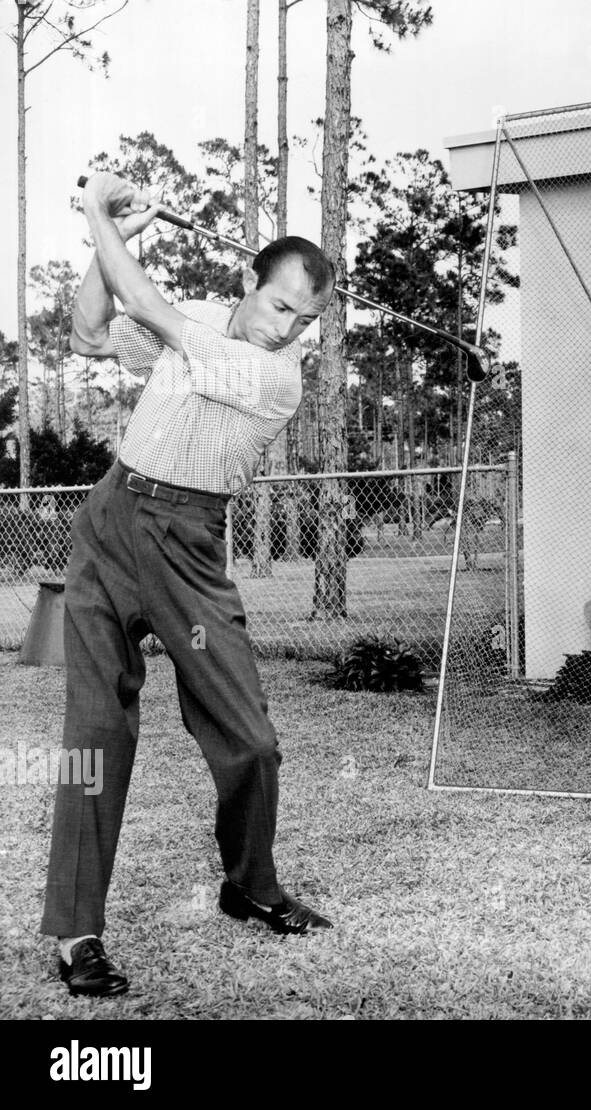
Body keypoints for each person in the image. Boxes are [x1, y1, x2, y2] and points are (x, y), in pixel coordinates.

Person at [44, 172, 335, 998]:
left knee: (250, 739)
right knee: (96, 733)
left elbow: (151, 310)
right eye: (281, 308)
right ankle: (77, 936)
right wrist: (116, 243)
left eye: (306, 321)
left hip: (187, 544)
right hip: (111, 523)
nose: (289, 331)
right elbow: (91, 326)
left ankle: (250, 885)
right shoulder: (205, 319)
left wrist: (98, 214)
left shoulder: (274, 378)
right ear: (252, 282)